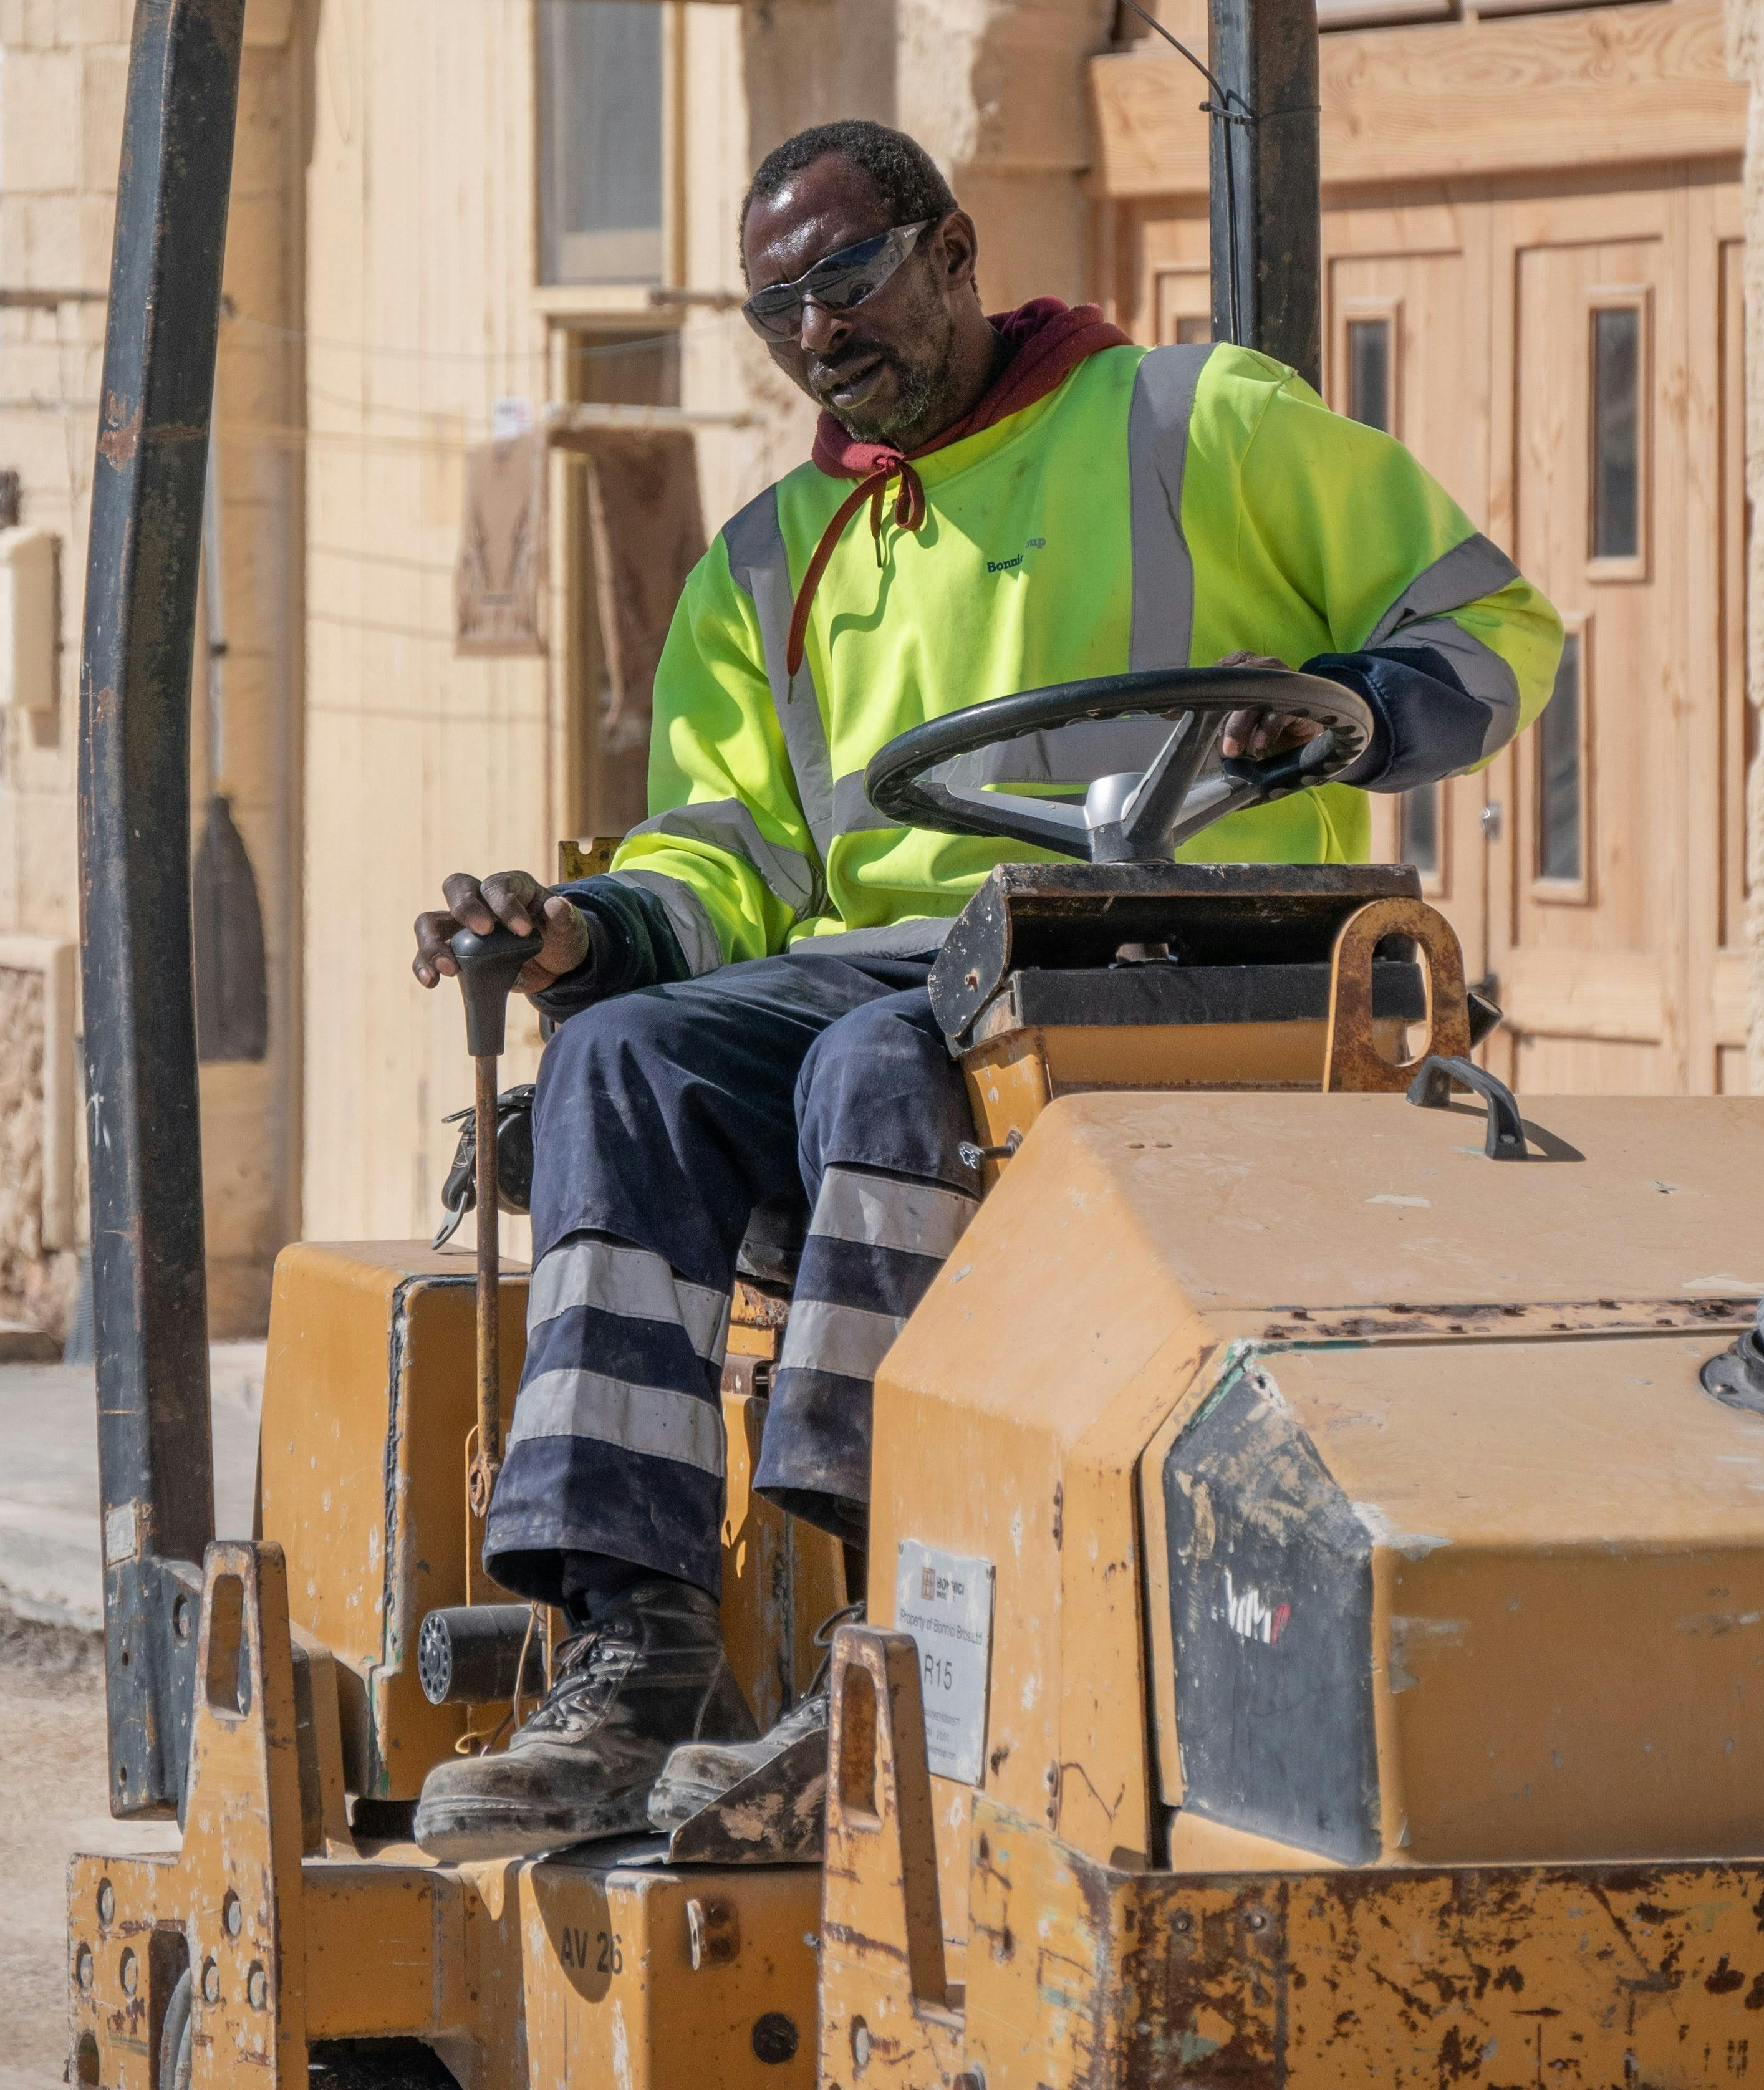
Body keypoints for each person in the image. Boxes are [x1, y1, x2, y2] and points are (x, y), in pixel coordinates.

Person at [410, 118, 1560, 1859]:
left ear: (954, 252)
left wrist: (1338, 701)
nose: (815, 332)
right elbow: (725, 863)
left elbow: (1494, 638)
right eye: (774, 308)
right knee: (624, 1059)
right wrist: (580, 933)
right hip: (905, 964)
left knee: (882, 1066)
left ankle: (884, 1648)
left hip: (1208, 963)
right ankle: (638, 1646)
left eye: (845, 278)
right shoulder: (763, 566)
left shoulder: (1197, 422)